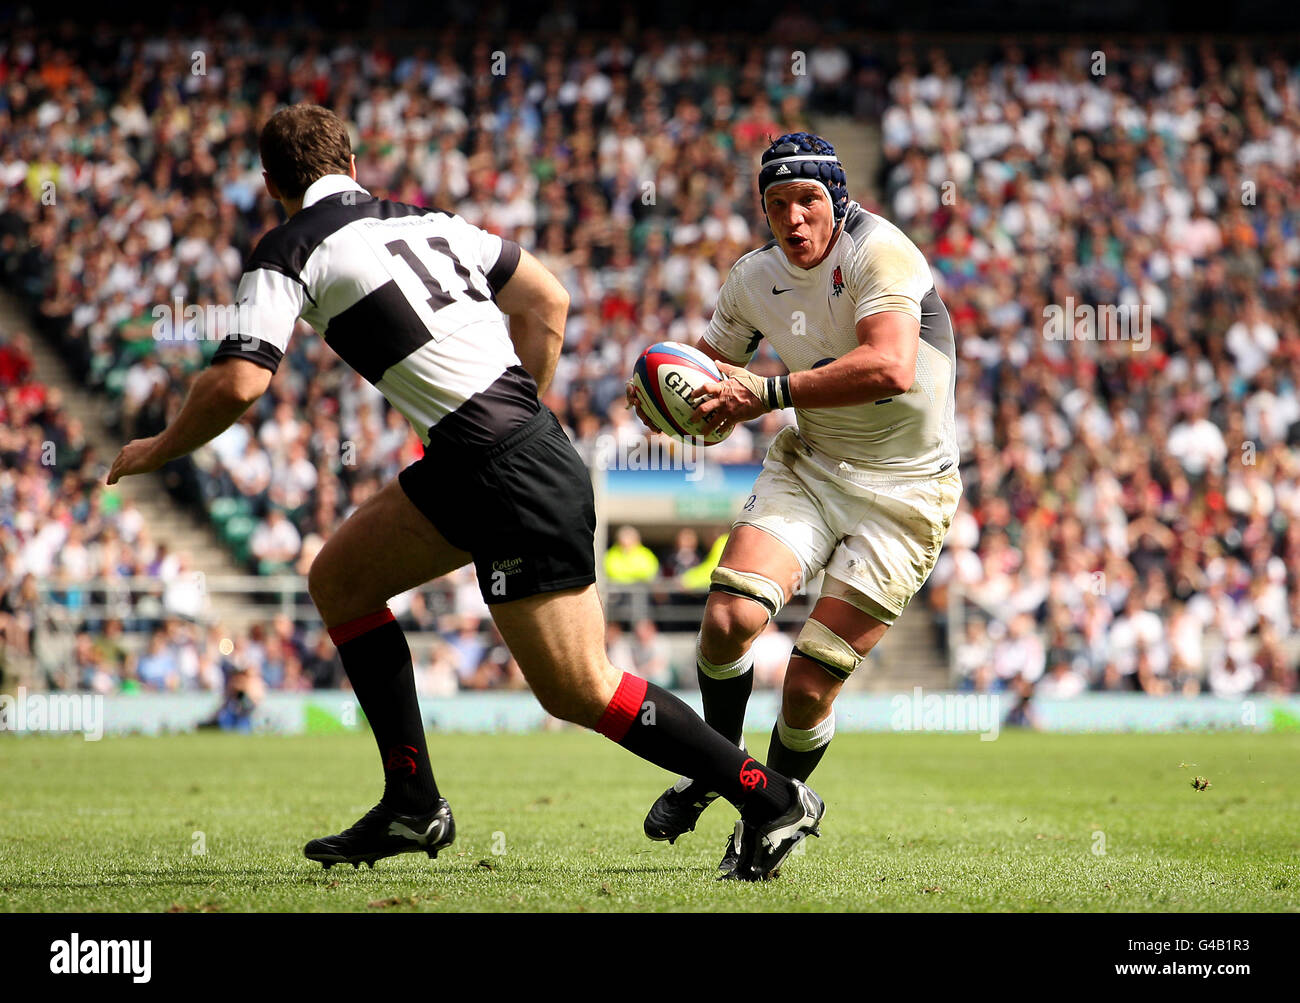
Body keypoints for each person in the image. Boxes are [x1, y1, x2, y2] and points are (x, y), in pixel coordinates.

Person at [108, 104, 821, 881]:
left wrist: (158, 447)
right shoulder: (431, 222)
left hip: (501, 467)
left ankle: (769, 794)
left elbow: (241, 379)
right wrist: (526, 413)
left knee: (580, 688)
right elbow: (547, 298)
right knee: (340, 579)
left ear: (272, 182)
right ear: (352, 164)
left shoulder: (289, 247)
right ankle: (412, 800)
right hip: (497, 453)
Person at [628, 133, 961, 872]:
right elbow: (720, 381)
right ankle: (721, 768)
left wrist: (765, 395)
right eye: (777, 203)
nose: (794, 218)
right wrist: (674, 400)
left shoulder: (883, 251)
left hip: (906, 493)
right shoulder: (752, 278)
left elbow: (890, 367)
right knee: (727, 618)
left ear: (838, 198)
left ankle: (761, 824)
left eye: (808, 199)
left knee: (808, 688)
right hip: (812, 466)